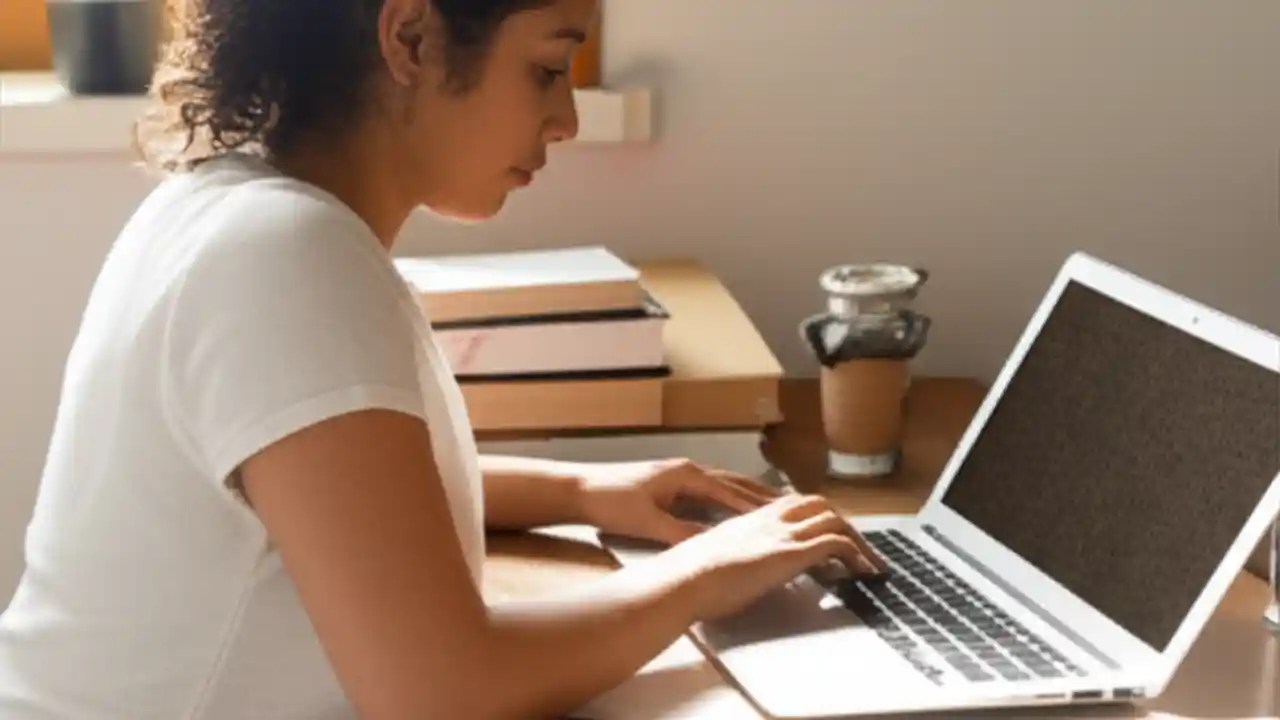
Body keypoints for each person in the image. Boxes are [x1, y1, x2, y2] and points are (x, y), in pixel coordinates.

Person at [0, 1, 886, 717]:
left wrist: (581, 489)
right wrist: (697, 579)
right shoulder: (285, 255)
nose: (568, 116)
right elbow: (443, 690)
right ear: (411, 37)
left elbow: (329, 492)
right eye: (547, 67)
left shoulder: (227, 206)